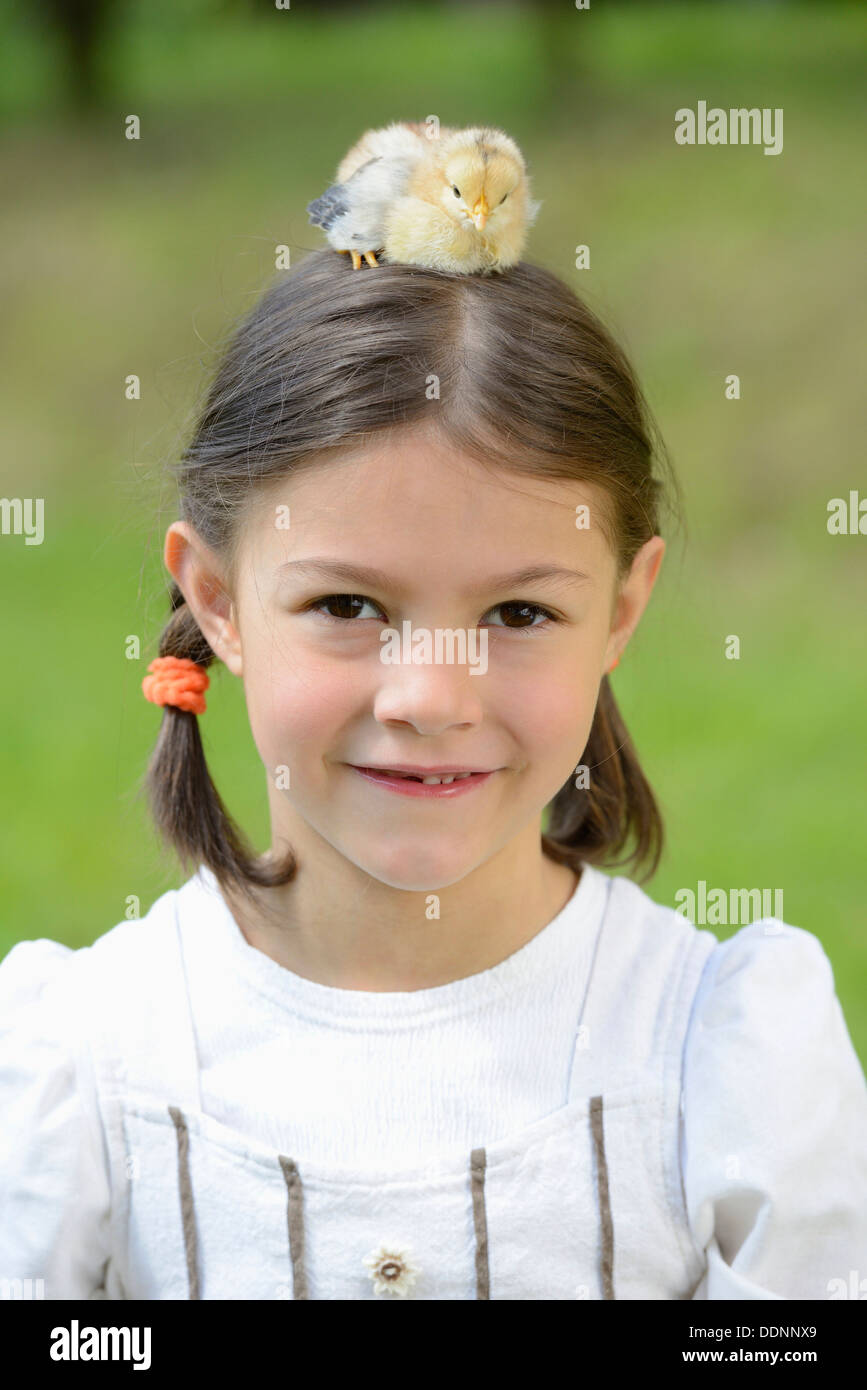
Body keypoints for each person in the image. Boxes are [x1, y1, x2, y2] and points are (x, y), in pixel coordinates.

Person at [1, 250, 865, 1301]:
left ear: (621, 611)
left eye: (519, 614)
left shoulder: (723, 1064)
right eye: (348, 607)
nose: (430, 696)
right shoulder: (81, 1068)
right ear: (219, 601)